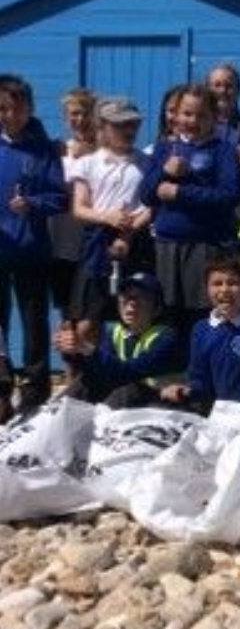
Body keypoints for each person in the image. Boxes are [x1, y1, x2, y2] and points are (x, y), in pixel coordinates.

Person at [140, 83, 240, 328]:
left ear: (214, 117)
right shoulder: (164, 147)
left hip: (205, 246)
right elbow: (145, 194)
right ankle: (174, 366)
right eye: (187, 113)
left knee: (204, 315)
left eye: (201, 115)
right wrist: (164, 171)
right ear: (176, 115)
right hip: (167, 245)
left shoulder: (222, 151)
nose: (192, 120)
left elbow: (229, 196)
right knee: (168, 314)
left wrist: (180, 192)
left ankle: (202, 365)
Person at [0, 73, 67, 412]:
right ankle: (1, 390)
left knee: (33, 322)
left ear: (28, 109)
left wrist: (32, 204)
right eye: (2, 108)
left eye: (15, 108)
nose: (8, 115)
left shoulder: (43, 149)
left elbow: (59, 199)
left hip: (30, 250)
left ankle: (35, 390)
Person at [69, 96, 154, 348]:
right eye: (120, 125)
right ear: (102, 126)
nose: (128, 130)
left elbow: (152, 207)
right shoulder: (87, 163)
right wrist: (107, 217)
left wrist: (127, 234)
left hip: (135, 244)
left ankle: (127, 379)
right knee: (86, 322)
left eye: (133, 124)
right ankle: (90, 381)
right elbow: (79, 208)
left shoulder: (146, 163)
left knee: (133, 315)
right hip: (96, 246)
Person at [160, 254, 240, 412]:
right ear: (207, 289)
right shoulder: (201, 329)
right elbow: (199, 379)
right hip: (223, 417)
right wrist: (187, 391)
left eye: (233, 283)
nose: (224, 290)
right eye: (217, 284)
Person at [55, 271, 181, 407]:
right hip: (132, 403)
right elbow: (102, 371)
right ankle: (50, 416)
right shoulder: (113, 331)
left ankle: (100, 424)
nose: (131, 303)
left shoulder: (167, 338)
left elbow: (128, 373)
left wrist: (86, 348)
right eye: (126, 296)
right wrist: (72, 353)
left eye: (140, 297)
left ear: (156, 308)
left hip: (163, 406)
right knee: (86, 381)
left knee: (128, 390)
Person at [49, 88, 97, 332]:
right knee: (66, 308)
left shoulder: (107, 150)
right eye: (73, 114)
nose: (79, 119)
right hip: (62, 239)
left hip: (92, 240)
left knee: (91, 309)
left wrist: (90, 152)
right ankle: (72, 366)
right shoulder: (58, 150)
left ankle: (94, 365)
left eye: (85, 112)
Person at [206, 62, 240, 146]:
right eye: (217, 85)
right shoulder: (196, 125)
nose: (222, 90)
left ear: (238, 90)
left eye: (229, 86)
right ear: (207, 89)